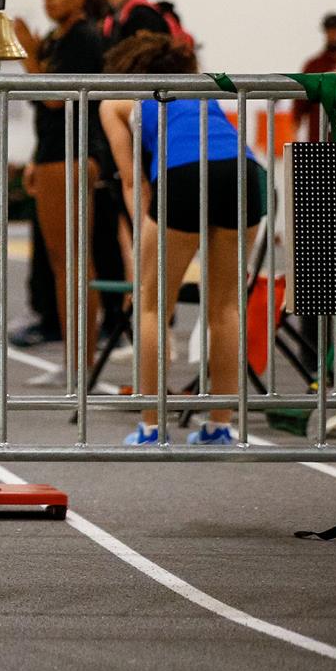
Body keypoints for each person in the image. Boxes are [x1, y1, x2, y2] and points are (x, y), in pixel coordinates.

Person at [99, 34, 266, 446]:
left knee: (153, 305)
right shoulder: (201, 88)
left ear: (126, 70)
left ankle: (152, 428)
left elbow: (131, 181)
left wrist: (143, 237)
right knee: (226, 307)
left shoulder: (116, 101)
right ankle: (220, 426)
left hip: (184, 175)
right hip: (243, 173)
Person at [10, 0, 108, 355]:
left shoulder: (82, 38)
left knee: (73, 261)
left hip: (74, 153)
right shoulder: (57, 38)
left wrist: (27, 52)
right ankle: (75, 354)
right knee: (61, 262)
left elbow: (53, 97)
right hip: (53, 154)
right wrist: (35, 159)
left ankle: (81, 357)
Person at [299, 12, 336, 140]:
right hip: (321, 143)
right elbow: (299, 106)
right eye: (330, 31)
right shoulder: (314, 66)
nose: (333, 35)